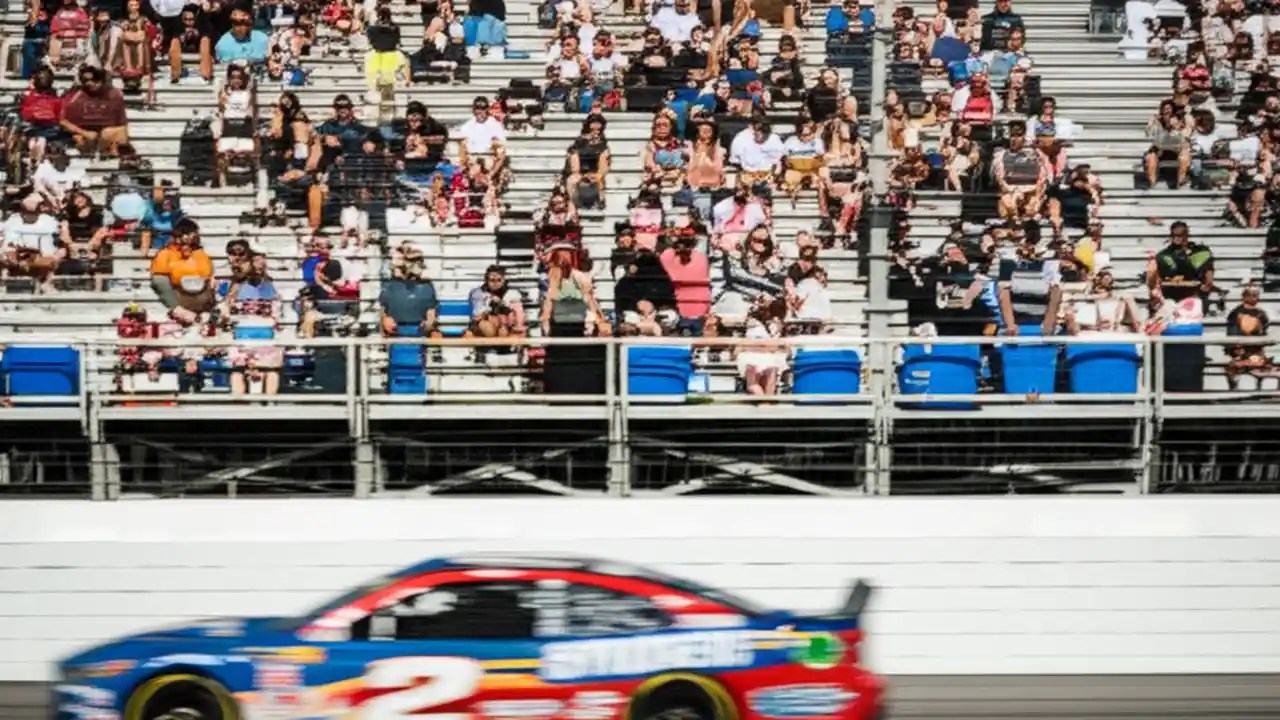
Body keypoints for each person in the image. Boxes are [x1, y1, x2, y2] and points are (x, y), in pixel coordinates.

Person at [59, 65, 129, 158]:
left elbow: (122, 125)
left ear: (101, 79)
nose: (89, 83)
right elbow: (63, 121)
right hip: (84, 135)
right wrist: (85, 133)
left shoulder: (114, 95)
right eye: (85, 80)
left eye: (93, 79)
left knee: (111, 133)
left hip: (107, 136)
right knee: (78, 138)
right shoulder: (75, 95)